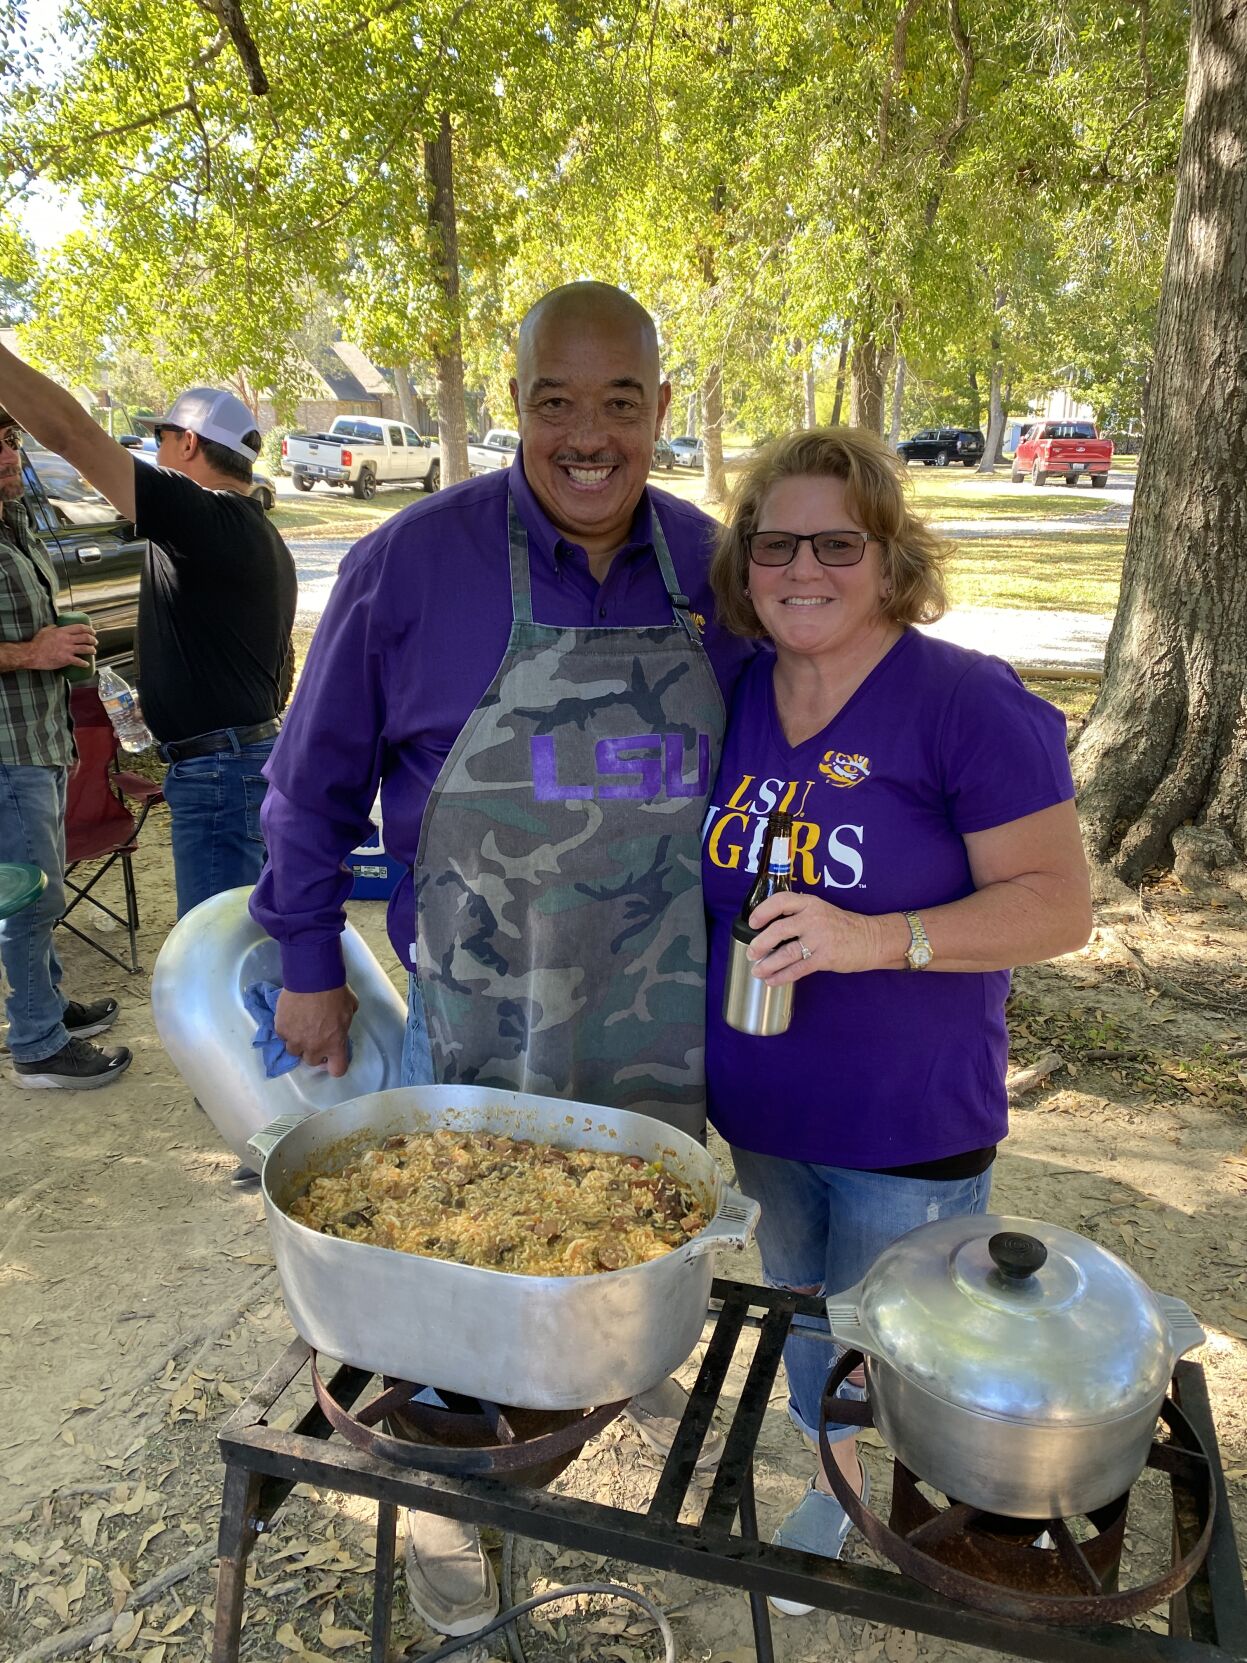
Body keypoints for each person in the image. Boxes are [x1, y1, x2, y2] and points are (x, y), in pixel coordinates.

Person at [250, 281, 755, 1637]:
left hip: (656, 1021)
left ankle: (589, 1398)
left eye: (619, 402)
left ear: (658, 408)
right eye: (552, 400)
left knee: (612, 1259)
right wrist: (306, 958)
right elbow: (309, 787)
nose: (586, 434)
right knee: (456, 1280)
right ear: (513, 401)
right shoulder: (411, 563)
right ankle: (449, 1536)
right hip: (477, 1021)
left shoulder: (713, 569)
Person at [701, 427, 1092, 1610]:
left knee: (908, 1344)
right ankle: (836, 1482)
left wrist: (880, 938)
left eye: (836, 542)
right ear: (745, 559)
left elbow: (1058, 907)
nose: (801, 569)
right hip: (761, 1102)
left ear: (886, 557)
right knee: (812, 1316)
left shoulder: (964, 701)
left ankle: (917, 1510)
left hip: (907, 1122)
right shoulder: (733, 688)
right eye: (776, 542)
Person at [0, 346, 296, 918]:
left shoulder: (205, 517)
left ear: (188, 443)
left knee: (213, 969)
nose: (149, 455)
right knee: (239, 952)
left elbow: (72, 436)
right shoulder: (261, 537)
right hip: (238, 763)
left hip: (219, 776)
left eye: (160, 440)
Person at [0, 406, 131, 1089]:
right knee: (30, 895)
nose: (8, 454)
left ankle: (47, 1007)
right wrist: (33, 651)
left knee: (43, 886)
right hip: (6, 748)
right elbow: (28, 645)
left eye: (9, 438)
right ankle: (38, 1045)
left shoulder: (13, 519)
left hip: (37, 737)